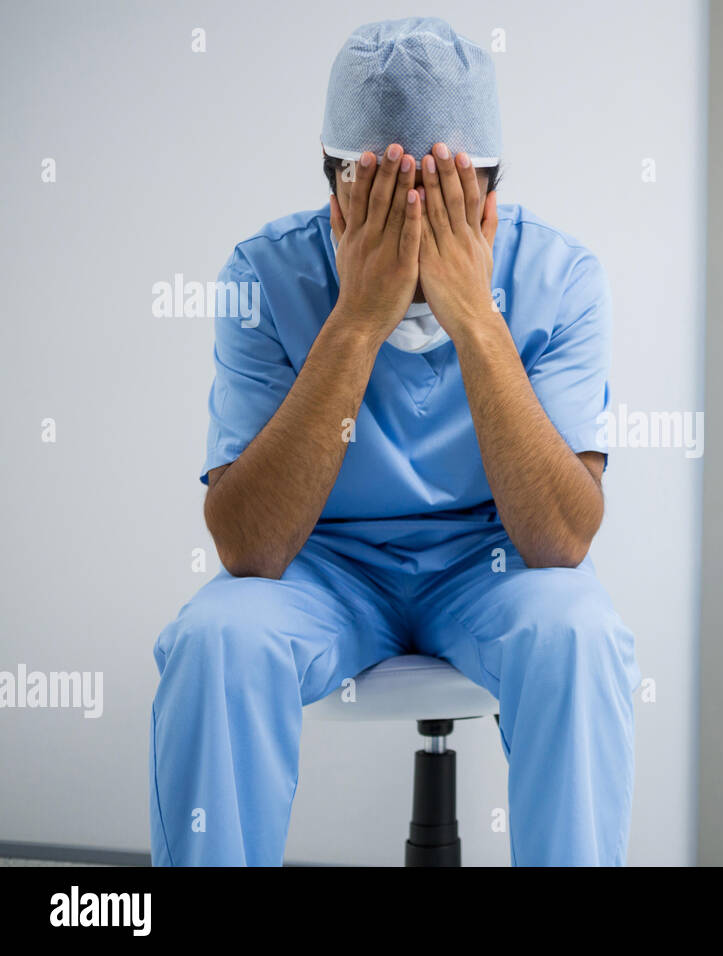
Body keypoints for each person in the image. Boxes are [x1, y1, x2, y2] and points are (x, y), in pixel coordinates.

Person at [148, 17, 639, 867]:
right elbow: (249, 547)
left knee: (580, 632)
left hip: (492, 569)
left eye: (445, 197)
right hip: (319, 571)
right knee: (216, 637)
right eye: (381, 196)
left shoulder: (560, 277)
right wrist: (357, 319)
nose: (414, 232)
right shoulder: (265, 276)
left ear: (489, 194)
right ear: (334, 188)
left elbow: (560, 540)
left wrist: (477, 321)